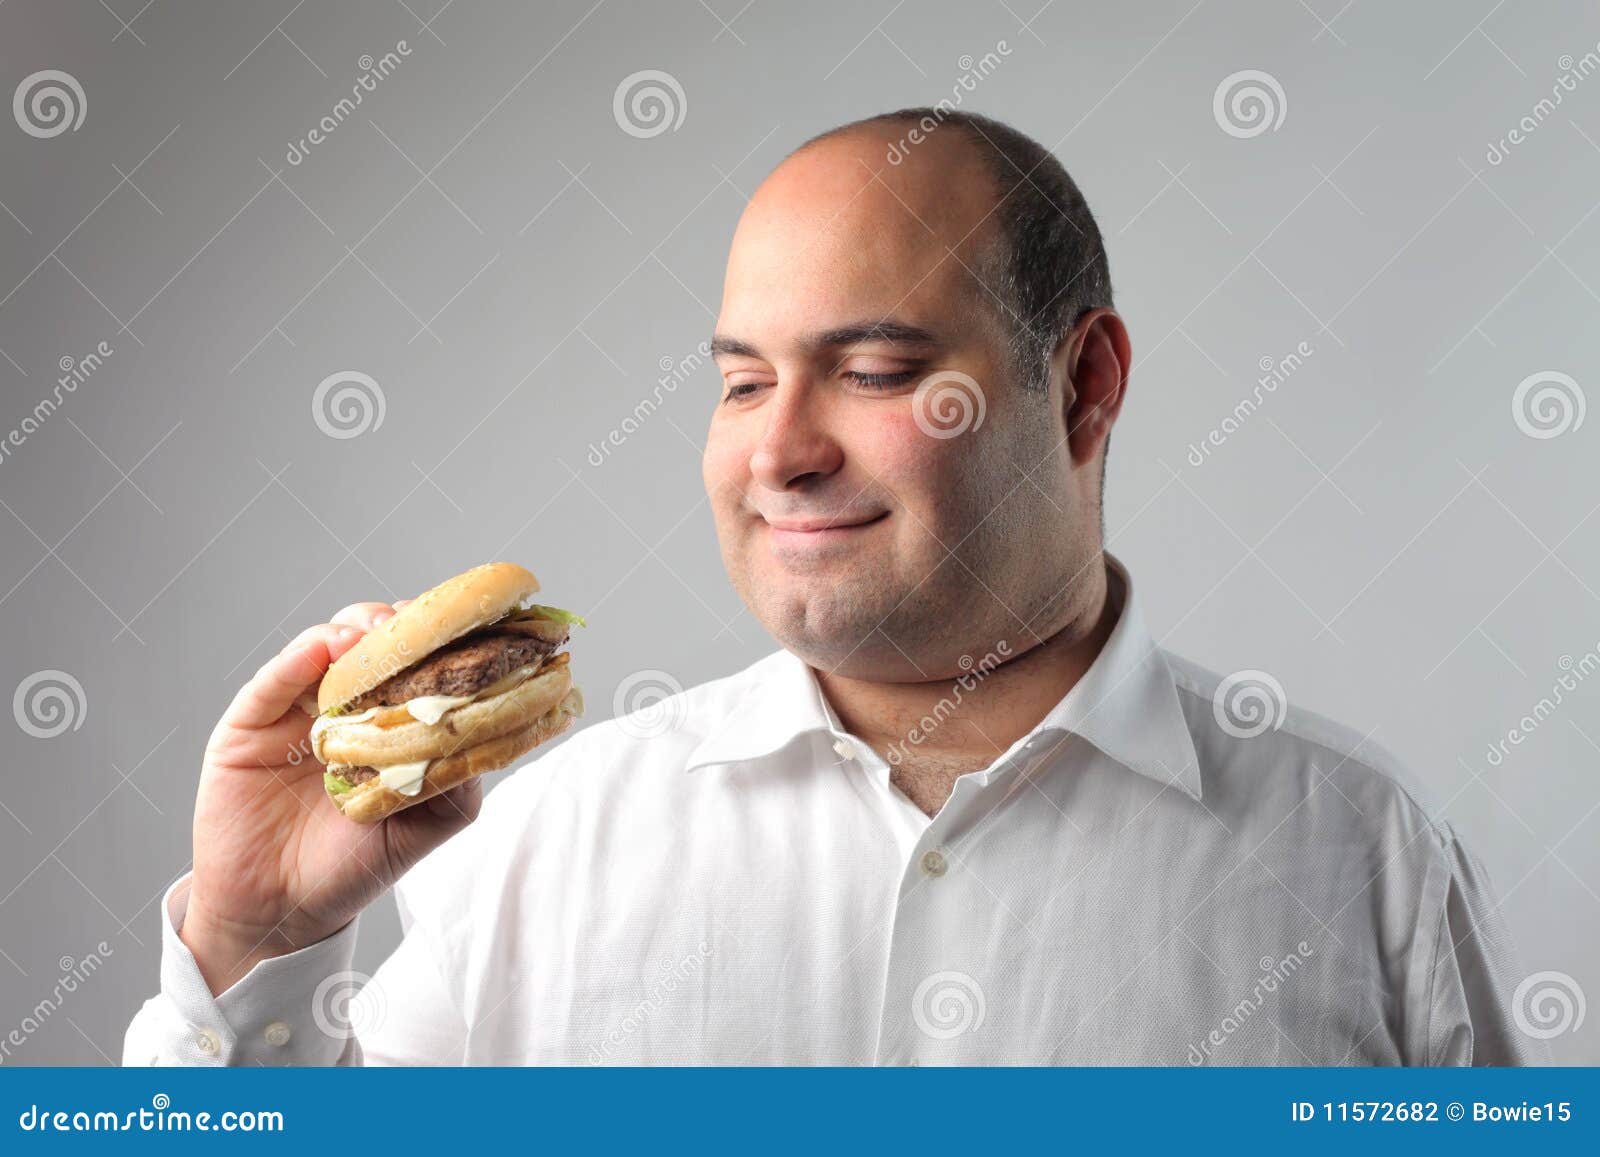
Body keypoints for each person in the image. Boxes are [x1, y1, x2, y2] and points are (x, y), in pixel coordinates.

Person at [124, 108, 1543, 1065]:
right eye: (744, 381)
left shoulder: (1361, 857)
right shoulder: (531, 843)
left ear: (1084, 386)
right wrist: (253, 942)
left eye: (873, 374)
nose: (782, 450)